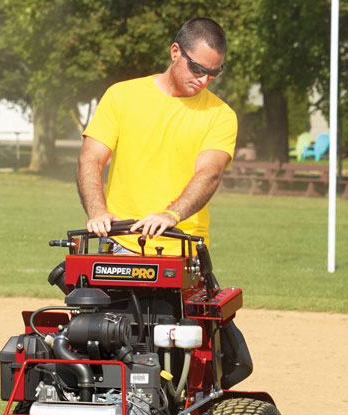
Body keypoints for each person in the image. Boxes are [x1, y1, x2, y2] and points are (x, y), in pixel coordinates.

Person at [78, 17, 237, 256]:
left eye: (214, 73)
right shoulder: (121, 96)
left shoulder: (221, 115)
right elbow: (90, 159)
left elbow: (209, 174)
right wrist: (97, 211)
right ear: (175, 52)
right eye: (197, 69)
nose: (204, 80)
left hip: (183, 246)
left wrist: (171, 215)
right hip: (120, 242)